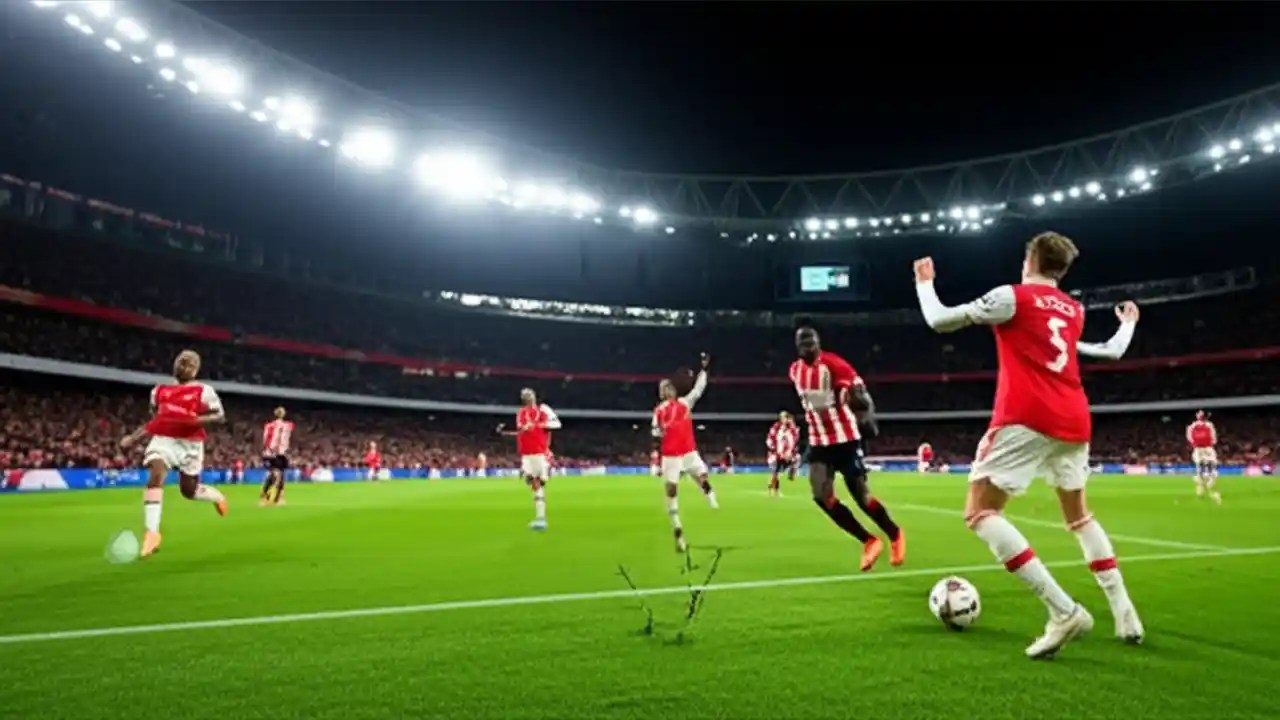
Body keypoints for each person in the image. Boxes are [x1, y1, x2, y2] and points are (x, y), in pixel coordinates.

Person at [914, 231, 1144, 658]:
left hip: (1026, 415)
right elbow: (1108, 353)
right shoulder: (1072, 309)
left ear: (1030, 259)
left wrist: (924, 282)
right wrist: (1127, 325)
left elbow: (939, 320)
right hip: (1074, 418)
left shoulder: (1013, 297)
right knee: (1079, 518)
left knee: (981, 512)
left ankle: (1062, 610)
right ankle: (1125, 612)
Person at [789, 323, 905, 571]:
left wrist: (864, 412)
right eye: (803, 344)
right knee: (821, 496)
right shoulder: (795, 371)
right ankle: (869, 541)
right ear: (797, 348)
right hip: (819, 442)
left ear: (819, 344)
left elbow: (858, 393)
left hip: (846, 440)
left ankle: (894, 534)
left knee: (862, 498)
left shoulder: (833, 365)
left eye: (812, 343)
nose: (808, 348)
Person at [119, 350, 228, 558]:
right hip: (164, 441)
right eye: (181, 361)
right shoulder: (159, 391)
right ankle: (152, 533)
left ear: (196, 370)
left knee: (188, 491)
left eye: (189, 363)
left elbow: (220, 416)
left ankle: (217, 496)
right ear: (174, 365)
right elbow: (157, 420)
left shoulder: (203, 391)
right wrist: (132, 438)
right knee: (156, 474)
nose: (183, 366)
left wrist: (196, 421)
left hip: (191, 445)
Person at [653, 353, 718, 553]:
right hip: (671, 456)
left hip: (688, 452)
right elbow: (654, 432)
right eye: (664, 388)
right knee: (671, 491)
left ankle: (710, 496)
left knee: (702, 476)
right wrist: (659, 435)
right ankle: (678, 530)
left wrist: (704, 370)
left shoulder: (684, 403)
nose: (668, 390)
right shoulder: (659, 411)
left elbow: (699, 389)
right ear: (662, 394)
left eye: (669, 386)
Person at [497, 388, 562, 531]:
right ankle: (540, 518)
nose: (527, 397)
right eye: (525, 396)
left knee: (537, 483)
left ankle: (541, 519)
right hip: (526, 455)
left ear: (534, 397)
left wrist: (539, 425)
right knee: (532, 483)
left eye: (529, 395)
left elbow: (556, 425)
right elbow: (521, 429)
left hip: (539, 454)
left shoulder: (543, 410)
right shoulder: (521, 413)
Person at [261, 406, 294, 506]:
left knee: (275, 474)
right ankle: (276, 498)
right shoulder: (288, 425)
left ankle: (267, 497)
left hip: (270, 453)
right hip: (280, 453)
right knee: (279, 475)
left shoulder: (268, 426)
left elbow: (265, 439)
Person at [1186, 410, 1221, 503]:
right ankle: (1203, 486)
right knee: (1204, 467)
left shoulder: (1202, 425)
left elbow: (1189, 437)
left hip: (1203, 448)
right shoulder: (1197, 425)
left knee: (1205, 467)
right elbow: (1214, 438)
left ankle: (1205, 485)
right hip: (1203, 448)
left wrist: (1195, 443)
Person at [766, 411, 800, 496]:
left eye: (786, 417)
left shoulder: (792, 429)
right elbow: (769, 440)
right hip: (776, 454)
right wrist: (775, 450)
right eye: (782, 417)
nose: (784, 419)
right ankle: (774, 490)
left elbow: (794, 442)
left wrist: (790, 452)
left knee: (797, 458)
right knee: (775, 472)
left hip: (787, 454)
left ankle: (791, 473)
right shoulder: (776, 427)